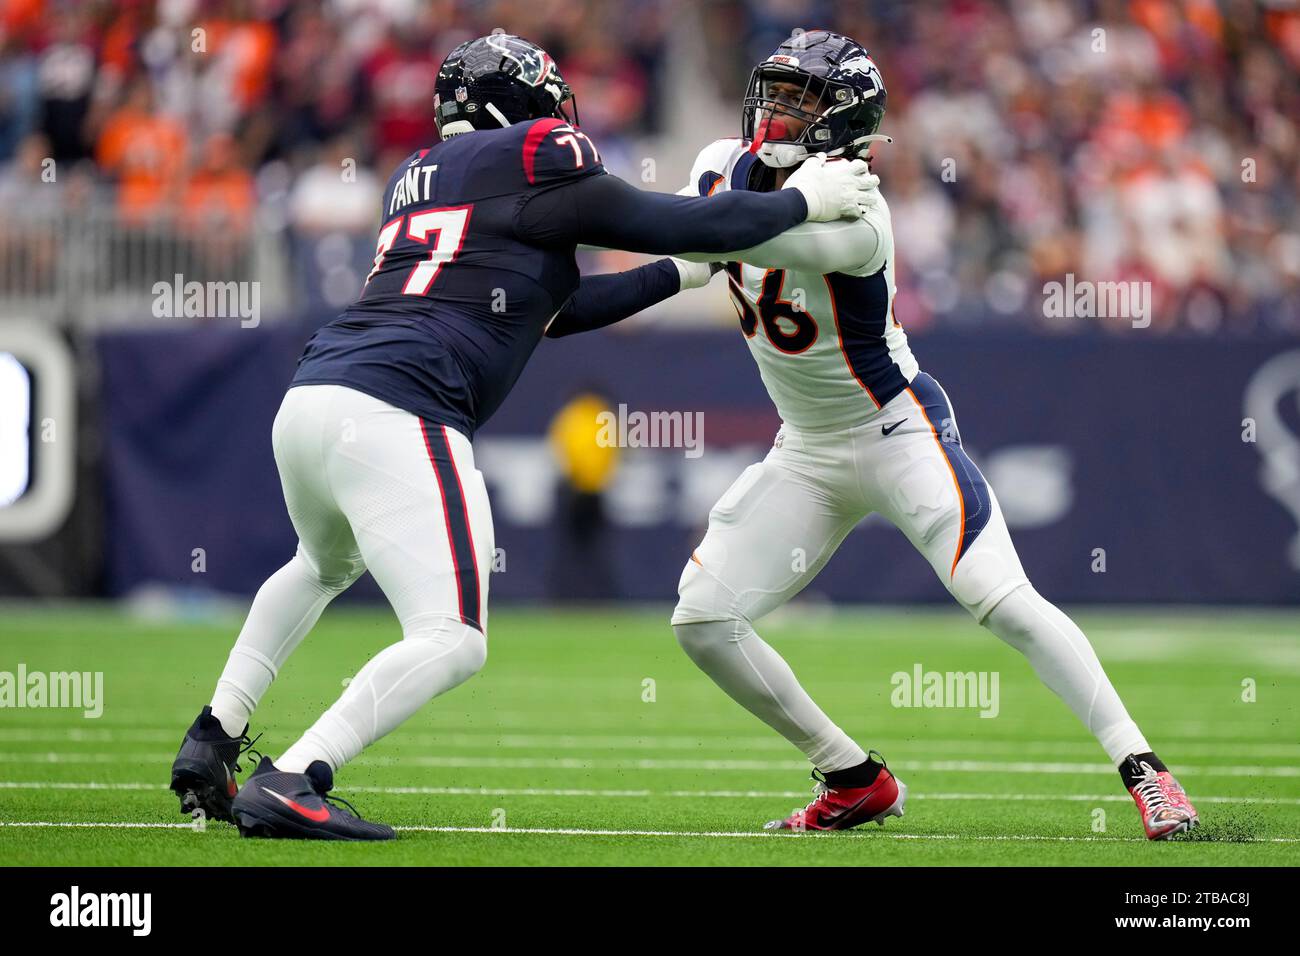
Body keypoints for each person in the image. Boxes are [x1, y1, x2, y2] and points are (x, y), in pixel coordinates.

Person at [167, 32, 879, 840]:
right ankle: (297, 776)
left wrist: (686, 272)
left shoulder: (416, 176)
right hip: (399, 403)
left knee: (319, 564)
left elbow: (553, 310)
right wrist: (802, 202)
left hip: (313, 393)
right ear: (519, 104)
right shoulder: (542, 149)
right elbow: (677, 220)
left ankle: (212, 738)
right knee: (452, 638)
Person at [667, 30, 1200, 839]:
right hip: (806, 450)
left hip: (896, 431)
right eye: (774, 91)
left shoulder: (860, 211)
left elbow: (732, 233)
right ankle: (851, 777)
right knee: (702, 620)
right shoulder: (720, 163)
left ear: (842, 119)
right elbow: (701, 234)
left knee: (1004, 601)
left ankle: (1145, 770)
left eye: (800, 99)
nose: (776, 110)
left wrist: (635, 216)